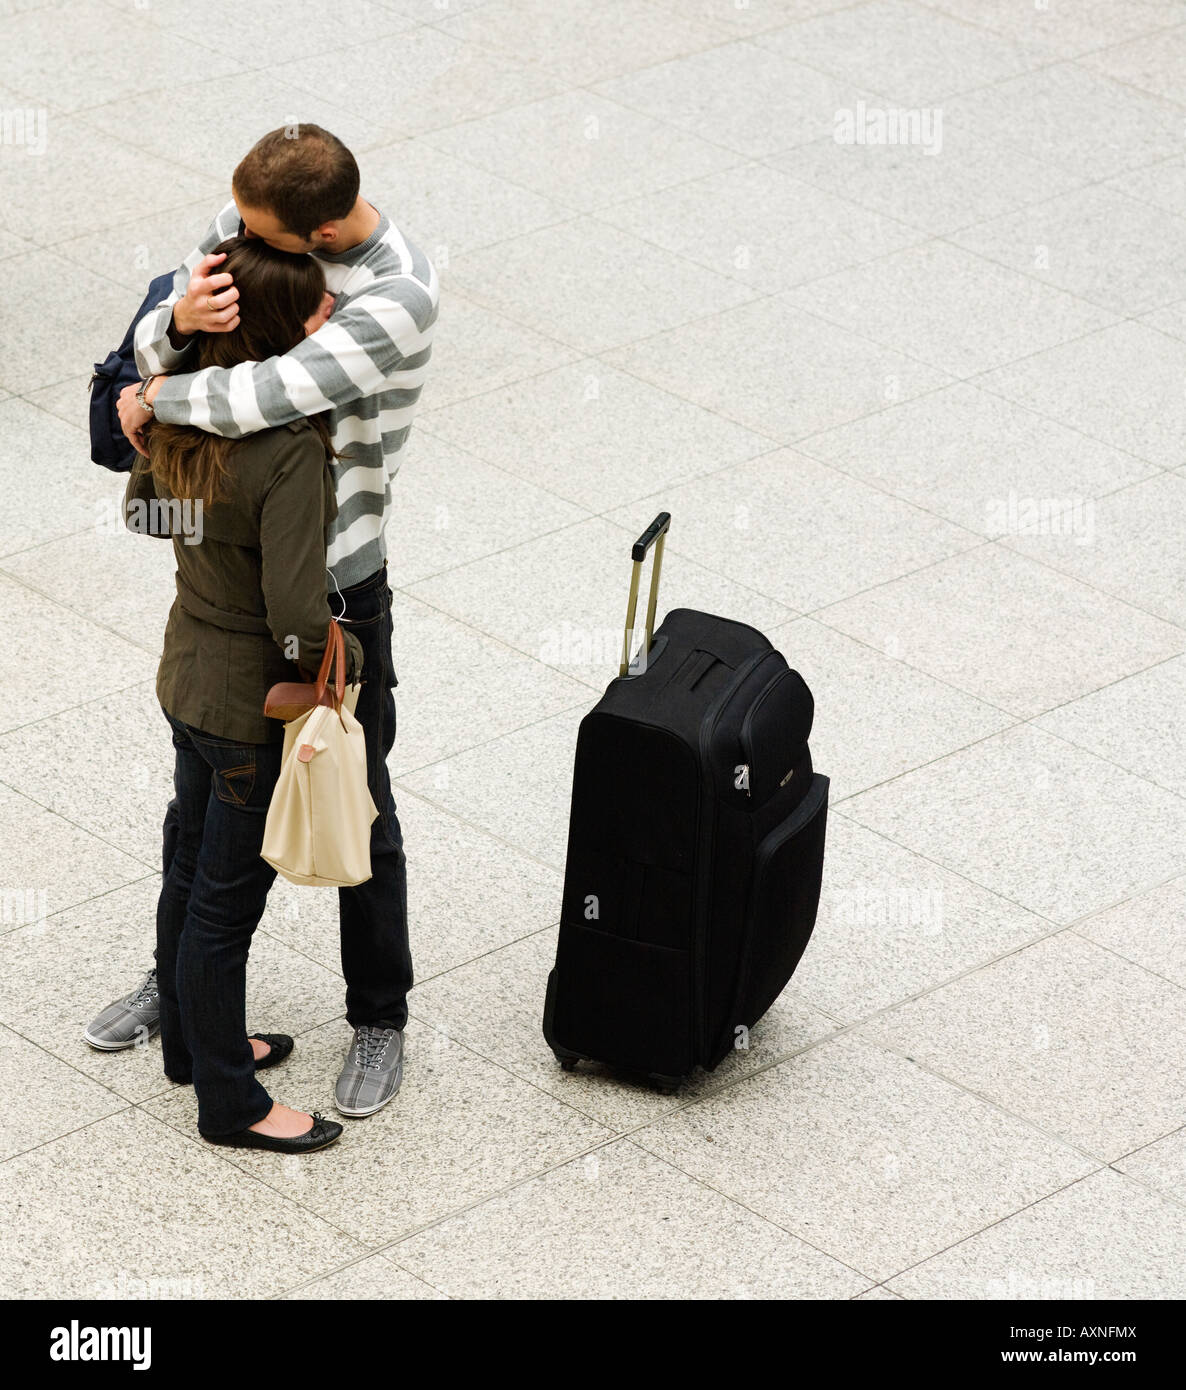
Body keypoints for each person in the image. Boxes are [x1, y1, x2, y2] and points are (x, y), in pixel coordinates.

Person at [90, 125, 437, 1119]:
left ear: (318, 232)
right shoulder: (260, 223)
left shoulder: (395, 295)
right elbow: (168, 326)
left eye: (254, 235)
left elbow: (270, 394)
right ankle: (187, 991)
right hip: (223, 594)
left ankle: (379, 1016)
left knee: (356, 803)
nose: (228, 240)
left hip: (331, 593)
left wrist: (152, 395)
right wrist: (167, 329)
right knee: (195, 813)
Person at [127, 234, 363, 1153]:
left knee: (187, 867)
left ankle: (191, 1047)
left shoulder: (186, 414)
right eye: (315, 310)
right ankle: (229, 1102)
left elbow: (147, 514)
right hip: (247, 706)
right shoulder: (289, 453)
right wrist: (327, 665)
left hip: (184, 673)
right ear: (282, 338)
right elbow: (296, 611)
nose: (330, 316)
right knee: (227, 905)